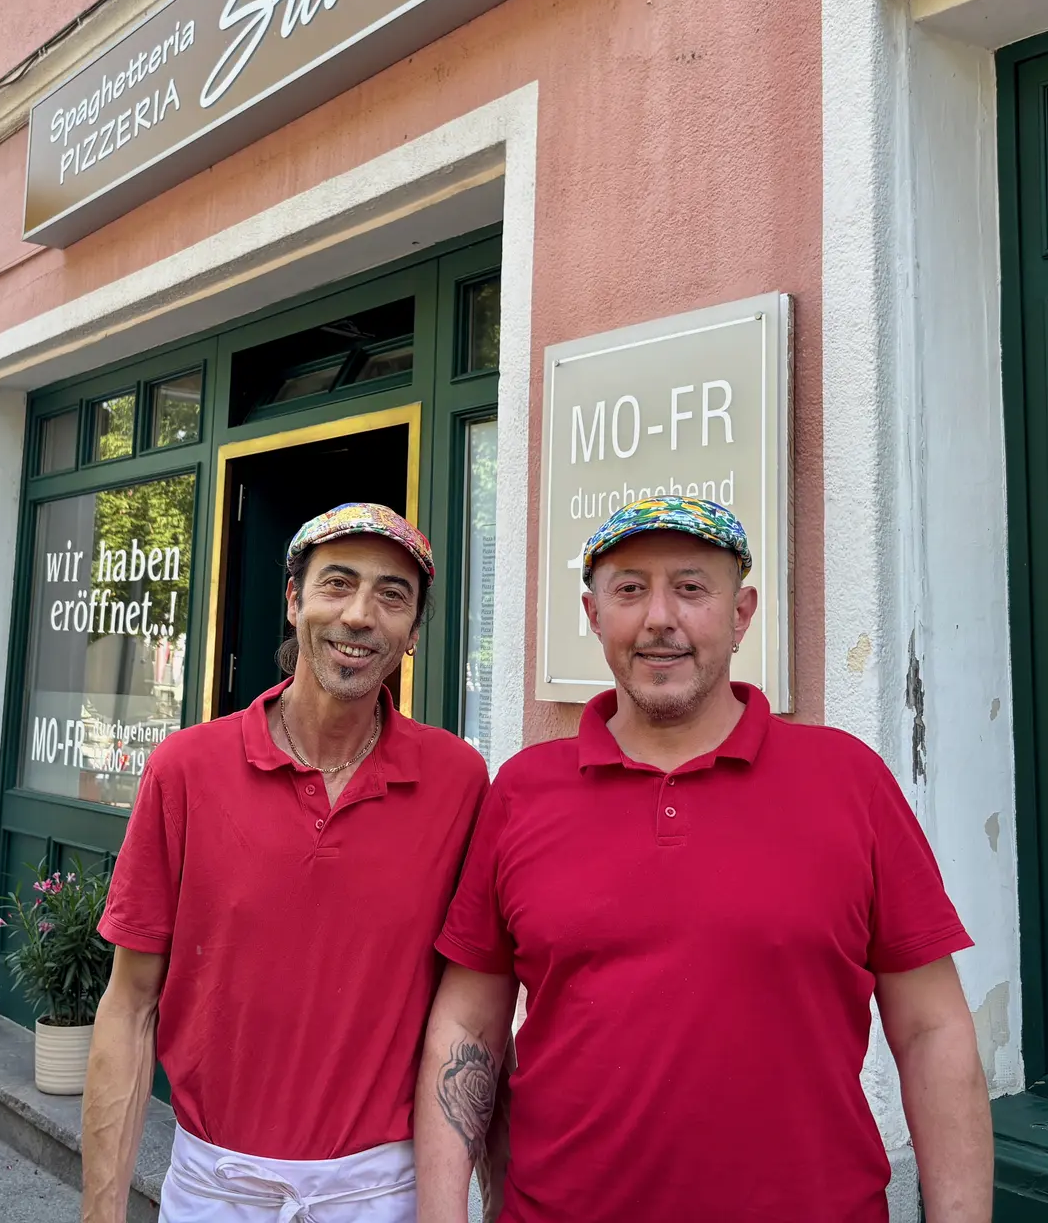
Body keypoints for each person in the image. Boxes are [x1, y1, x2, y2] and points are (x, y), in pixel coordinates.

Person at [416, 495, 993, 1222]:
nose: (660, 618)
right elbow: (468, 1028)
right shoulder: (523, 792)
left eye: (692, 588)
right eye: (630, 589)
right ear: (594, 615)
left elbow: (931, 1029)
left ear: (742, 612)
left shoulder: (850, 781)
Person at [81, 501, 489, 1223]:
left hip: (382, 1190)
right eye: (338, 583)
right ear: (295, 599)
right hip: (215, 1185)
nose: (361, 615)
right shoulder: (187, 769)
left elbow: (472, 1019)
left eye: (392, 595)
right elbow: (131, 1004)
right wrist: (101, 1214)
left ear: (414, 631)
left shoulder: (457, 781)